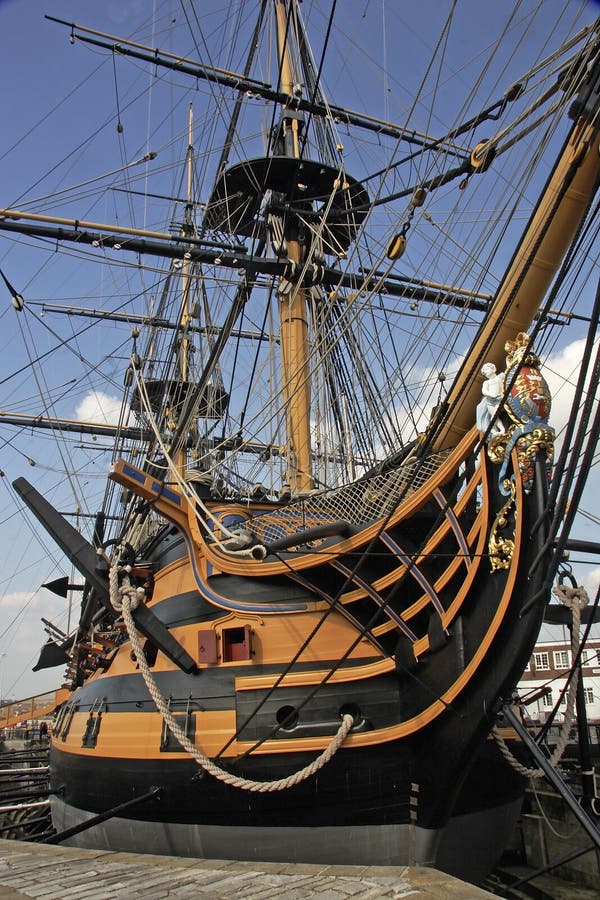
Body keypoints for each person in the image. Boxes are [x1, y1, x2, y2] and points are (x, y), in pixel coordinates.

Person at [476, 362, 504, 436]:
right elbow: (484, 391)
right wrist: (491, 394)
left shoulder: (500, 377)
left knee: (494, 417)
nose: (486, 373)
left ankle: (502, 430)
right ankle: (496, 431)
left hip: (500, 399)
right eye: (484, 373)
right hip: (490, 402)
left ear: (493, 368)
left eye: (487, 370)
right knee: (494, 418)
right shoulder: (487, 382)